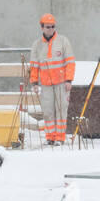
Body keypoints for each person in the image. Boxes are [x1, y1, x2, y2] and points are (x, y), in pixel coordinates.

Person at [28, 13, 75, 145]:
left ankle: (60, 138)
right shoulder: (37, 45)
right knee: (48, 111)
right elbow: (34, 66)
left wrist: (69, 80)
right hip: (46, 84)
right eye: (48, 27)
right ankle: (50, 137)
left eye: (52, 26)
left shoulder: (63, 41)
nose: (50, 29)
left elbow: (70, 62)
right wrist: (34, 83)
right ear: (42, 28)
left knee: (61, 110)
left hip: (61, 84)